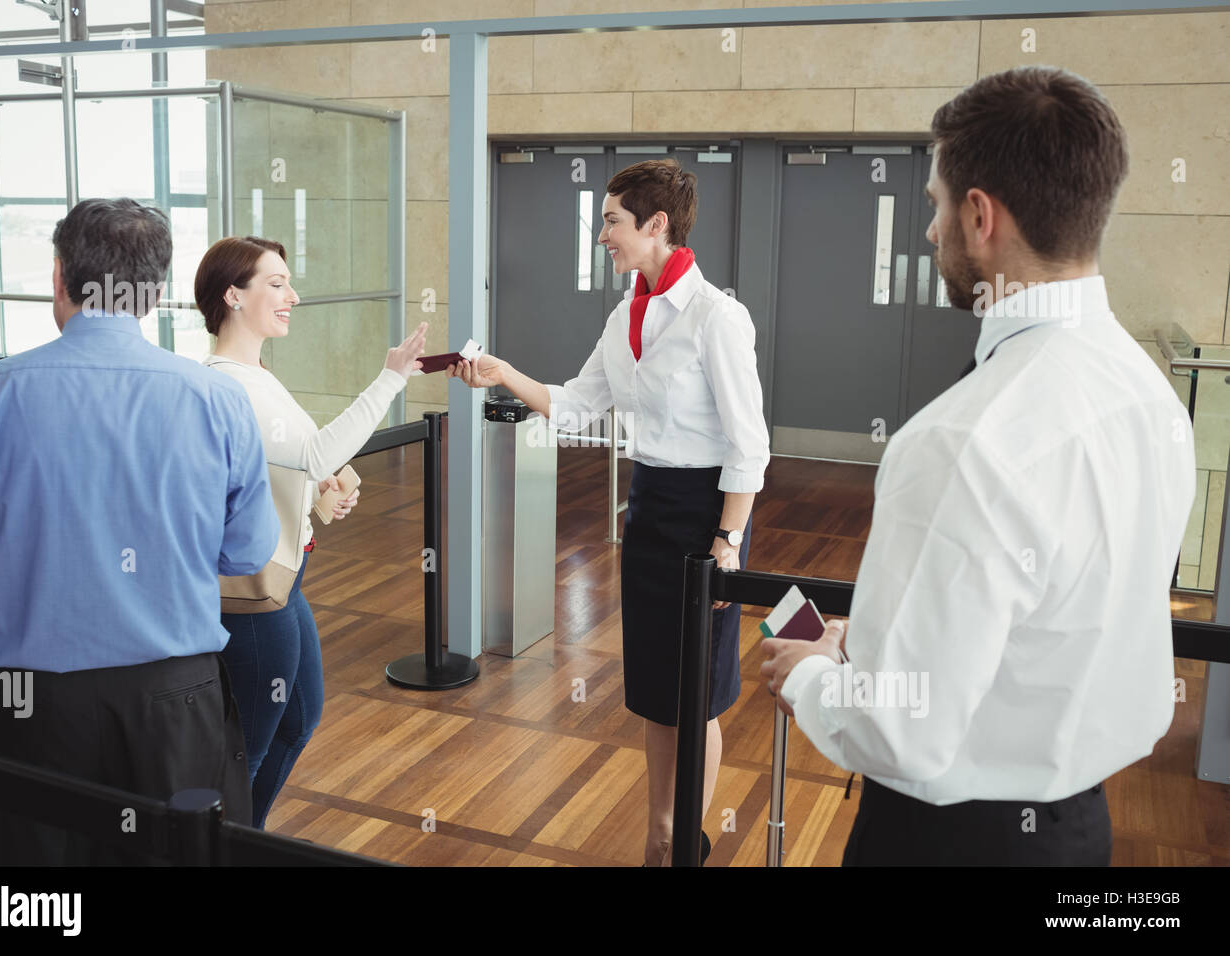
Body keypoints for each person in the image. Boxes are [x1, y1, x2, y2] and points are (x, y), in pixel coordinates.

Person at [760, 66, 1196, 866]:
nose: (929, 233)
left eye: (932, 206)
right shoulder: (1153, 397)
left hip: (949, 841)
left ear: (980, 215)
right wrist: (889, 638)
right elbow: (1059, 619)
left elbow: (901, 730)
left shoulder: (961, 440)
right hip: (1080, 833)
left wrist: (811, 677)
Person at [0, 198, 280, 864]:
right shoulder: (216, 400)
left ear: (58, 276)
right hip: (174, 697)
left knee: (44, 893)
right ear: (152, 294)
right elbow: (247, 549)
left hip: (30, 697)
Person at [448, 159, 770, 866]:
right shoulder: (626, 313)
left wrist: (728, 541)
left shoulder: (717, 317)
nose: (602, 235)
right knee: (658, 690)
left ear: (657, 226)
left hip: (707, 514)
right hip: (649, 508)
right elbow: (579, 402)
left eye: (612, 221)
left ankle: (686, 838)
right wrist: (502, 375)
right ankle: (660, 834)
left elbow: (751, 445)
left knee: (699, 694)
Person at [195, 236, 427, 829]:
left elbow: (288, 463)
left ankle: (248, 837)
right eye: (276, 284)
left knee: (297, 721)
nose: (292, 296)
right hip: (253, 596)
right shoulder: (232, 382)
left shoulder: (256, 374)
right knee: (244, 749)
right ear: (232, 295)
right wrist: (391, 377)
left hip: (285, 581)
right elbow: (317, 449)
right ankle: (225, 844)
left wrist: (321, 493)